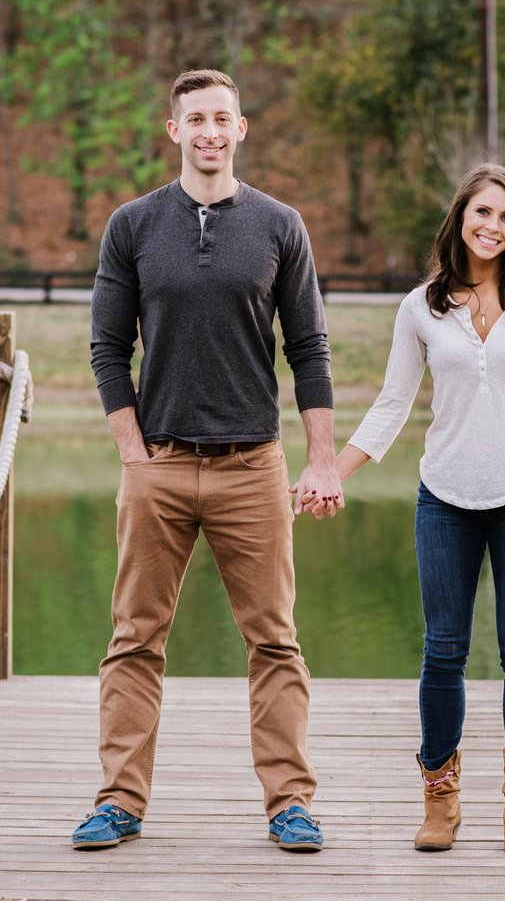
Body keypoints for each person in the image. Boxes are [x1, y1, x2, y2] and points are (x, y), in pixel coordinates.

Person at [76, 68, 343, 853]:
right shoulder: (131, 225)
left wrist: (320, 458)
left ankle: (289, 802)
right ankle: (119, 801)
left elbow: (310, 348)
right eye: (195, 119)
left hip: (252, 463)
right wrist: (134, 455)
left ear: (241, 127)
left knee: (275, 640)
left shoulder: (279, 225)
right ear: (174, 131)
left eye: (222, 118)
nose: (210, 132)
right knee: (133, 638)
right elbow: (106, 349)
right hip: (158, 462)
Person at [325, 163, 505, 856]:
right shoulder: (422, 306)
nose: (492, 227)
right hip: (444, 498)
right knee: (444, 651)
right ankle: (440, 798)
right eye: (481, 213)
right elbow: (392, 403)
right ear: (459, 219)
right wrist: (331, 470)